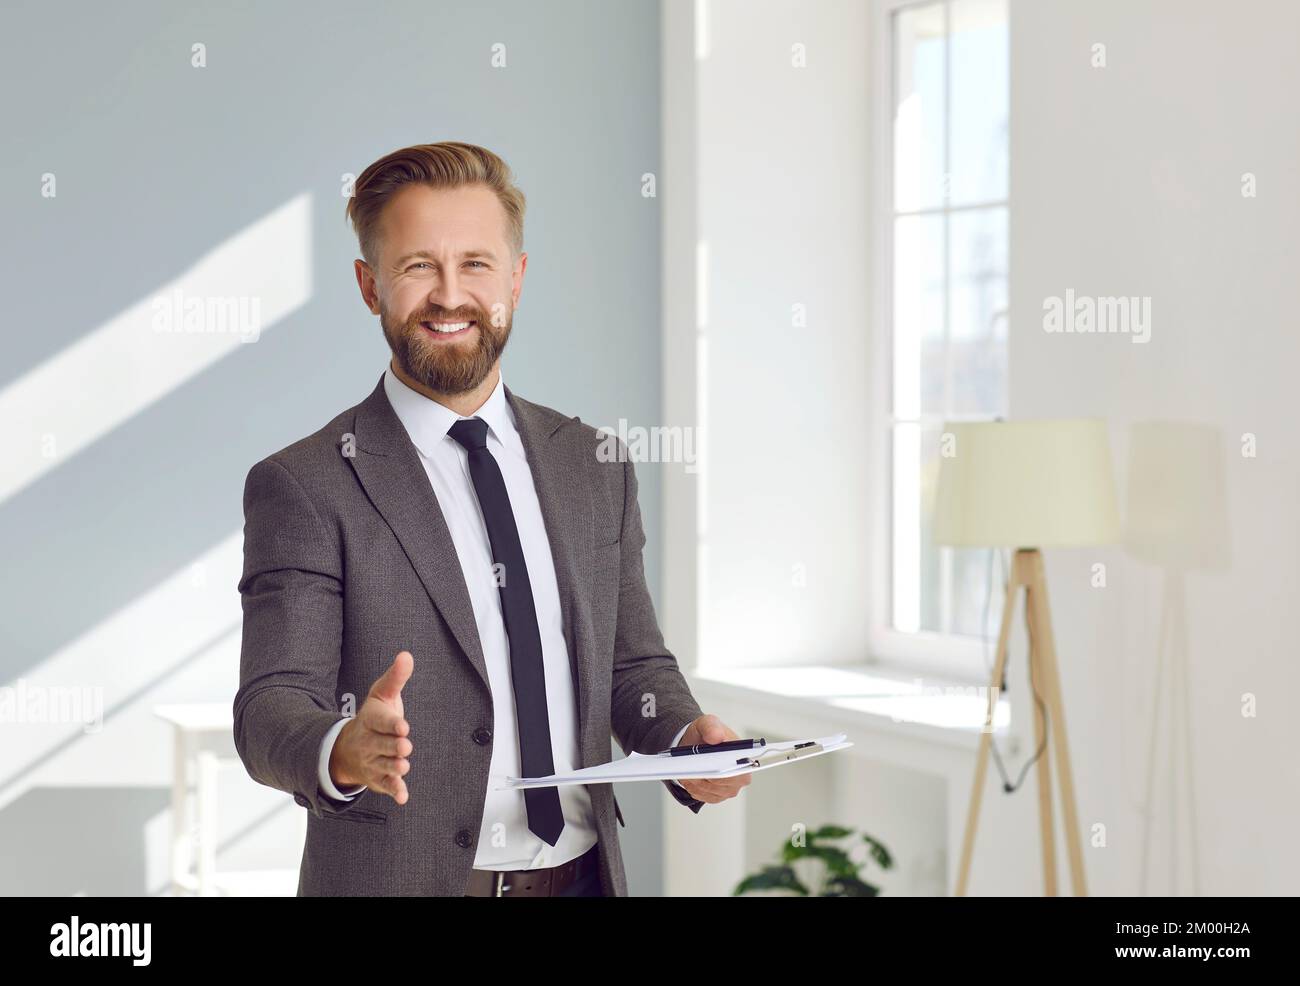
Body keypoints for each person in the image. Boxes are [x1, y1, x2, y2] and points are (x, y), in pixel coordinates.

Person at [233, 141, 748, 897]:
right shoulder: (307, 485)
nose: (449, 295)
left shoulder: (595, 465)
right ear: (369, 286)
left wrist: (682, 737)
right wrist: (341, 747)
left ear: (516, 277)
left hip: (581, 882)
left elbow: (633, 667)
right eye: (417, 266)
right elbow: (269, 708)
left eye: (475, 263)